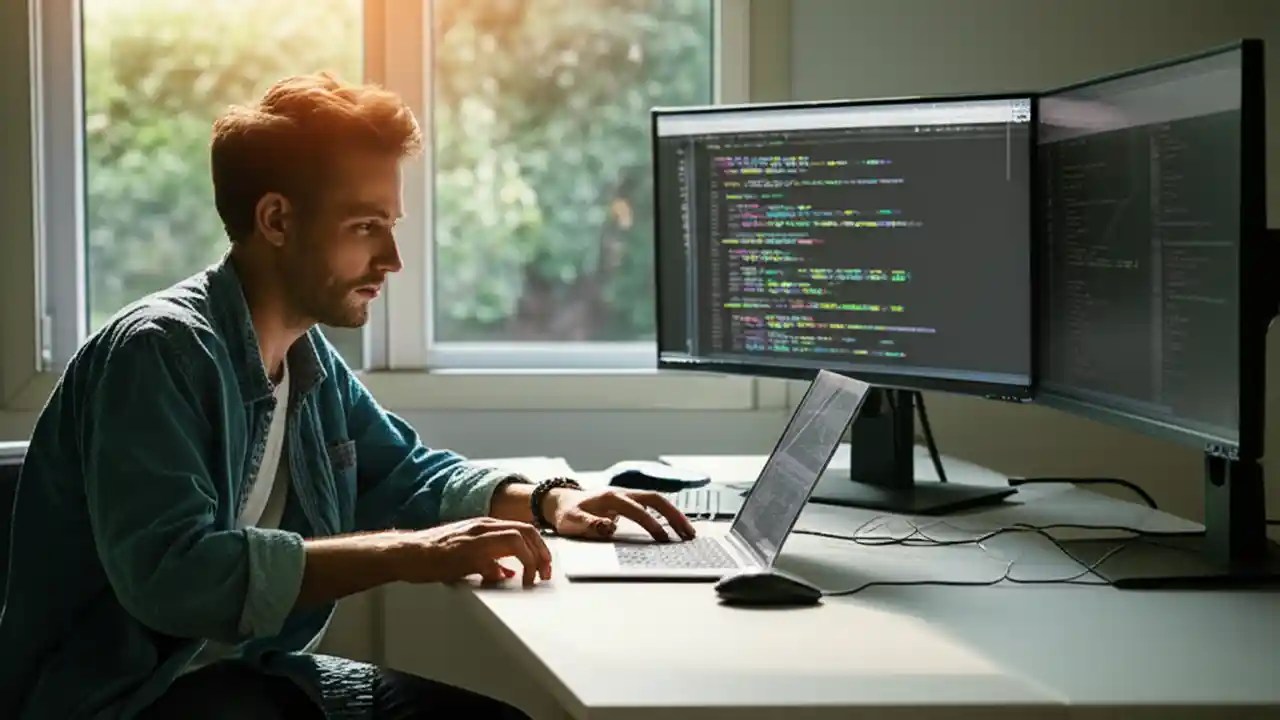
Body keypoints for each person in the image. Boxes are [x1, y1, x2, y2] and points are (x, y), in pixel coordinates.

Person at [0, 72, 697, 719]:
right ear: (276, 220)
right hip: (127, 703)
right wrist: (414, 553)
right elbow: (177, 577)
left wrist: (550, 500)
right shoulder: (159, 354)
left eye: (391, 225)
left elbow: (404, 471)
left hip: (247, 672)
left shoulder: (304, 355)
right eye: (366, 226)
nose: (392, 259)